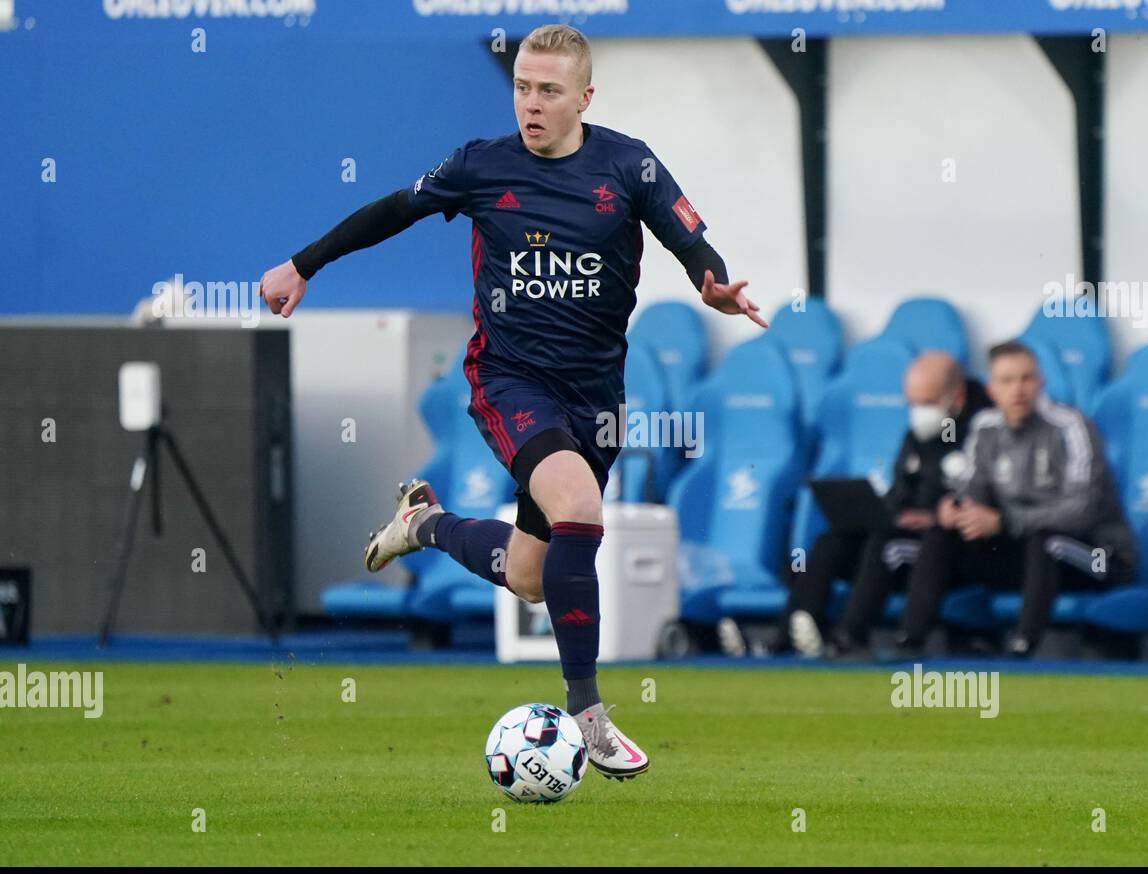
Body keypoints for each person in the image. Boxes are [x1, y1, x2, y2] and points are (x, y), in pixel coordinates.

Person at [257, 24, 765, 780]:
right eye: (524, 87)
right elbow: (393, 210)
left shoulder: (630, 166)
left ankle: (424, 524)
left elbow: (692, 245)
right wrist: (304, 263)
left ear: (584, 97)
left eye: (549, 91)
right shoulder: (480, 166)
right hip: (509, 382)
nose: (532, 103)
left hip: (595, 397)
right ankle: (589, 718)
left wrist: (714, 285)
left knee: (531, 574)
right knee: (579, 506)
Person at [898, 341, 1138, 657]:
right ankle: (909, 641)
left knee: (1047, 541)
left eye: (1026, 378)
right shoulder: (985, 427)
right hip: (1026, 555)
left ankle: (1022, 649)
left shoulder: (1071, 427)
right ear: (991, 389)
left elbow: (1083, 510)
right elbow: (971, 490)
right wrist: (957, 510)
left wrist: (1004, 521)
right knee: (941, 535)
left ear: (1041, 382)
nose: (1018, 390)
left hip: (1099, 557)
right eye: (1007, 381)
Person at [779, 350, 990, 658]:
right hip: (905, 536)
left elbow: (979, 497)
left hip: (950, 550)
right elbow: (900, 494)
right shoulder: (916, 437)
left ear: (955, 396)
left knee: (886, 543)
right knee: (833, 541)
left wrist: (933, 516)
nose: (918, 412)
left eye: (927, 403)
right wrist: (883, 512)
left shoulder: (984, 431)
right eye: (913, 403)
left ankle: (849, 636)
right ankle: (789, 631)